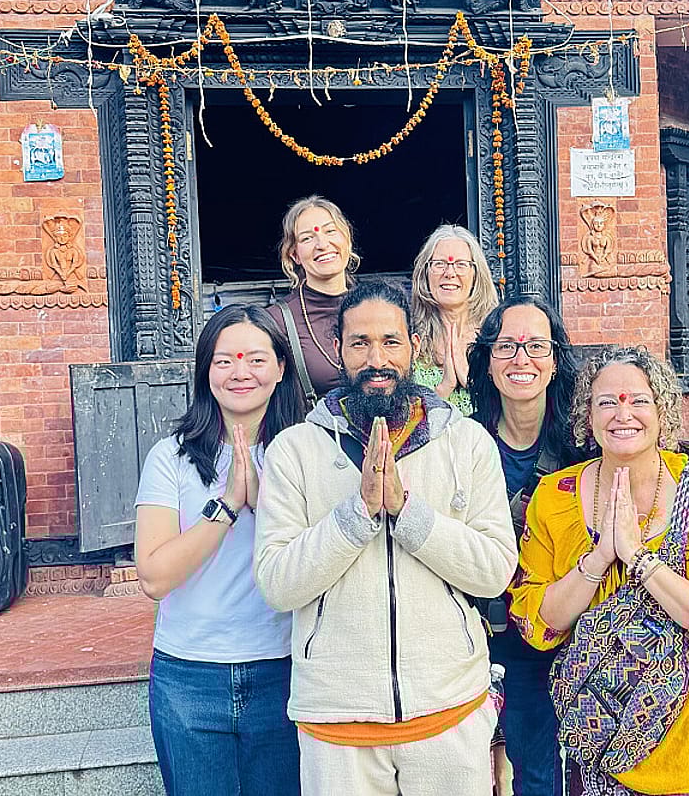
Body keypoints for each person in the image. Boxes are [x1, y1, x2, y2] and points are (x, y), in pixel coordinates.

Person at [255, 281, 517, 796]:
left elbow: (494, 571)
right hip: (337, 721)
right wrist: (357, 515)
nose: (377, 359)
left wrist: (406, 512)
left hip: (448, 710)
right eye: (360, 343)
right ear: (338, 349)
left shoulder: (465, 442)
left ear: (414, 346)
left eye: (391, 342)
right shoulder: (296, 450)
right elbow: (278, 585)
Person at [509, 346, 689, 796]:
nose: (622, 414)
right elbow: (537, 626)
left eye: (639, 400)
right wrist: (599, 559)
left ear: (663, 413)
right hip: (603, 753)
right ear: (587, 417)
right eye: (607, 402)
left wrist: (639, 559)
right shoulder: (554, 498)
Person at [134, 304, 306, 796]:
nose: (240, 372)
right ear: (205, 371)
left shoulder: (307, 452)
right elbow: (154, 577)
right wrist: (228, 505)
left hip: (285, 666)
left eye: (256, 359)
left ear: (280, 368)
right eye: (224, 360)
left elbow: (316, 558)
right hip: (189, 674)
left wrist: (264, 501)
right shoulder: (171, 457)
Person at [466, 296, 588, 796]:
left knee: (559, 769)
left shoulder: (583, 443)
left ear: (555, 360)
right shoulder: (462, 441)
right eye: (507, 346)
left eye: (537, 345)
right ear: (487, 361)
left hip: (566, 629)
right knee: (498, 764)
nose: (522, 358)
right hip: (488, 629)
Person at [269, 195, 359, 405]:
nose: (322, 244)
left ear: (346, 239)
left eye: (330, 231)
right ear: (294, 255)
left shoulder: (377, 307)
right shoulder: (277, 321)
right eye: (307, 238)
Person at [410, 224, 498, 414]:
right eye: (439, 264)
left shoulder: (497, 336)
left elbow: (515, 413)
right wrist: (444, 388)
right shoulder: (409, 339)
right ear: (426, 273)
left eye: (461, 264)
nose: (450, 273)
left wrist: (471, 383)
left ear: (476, 274)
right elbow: (400, 422)